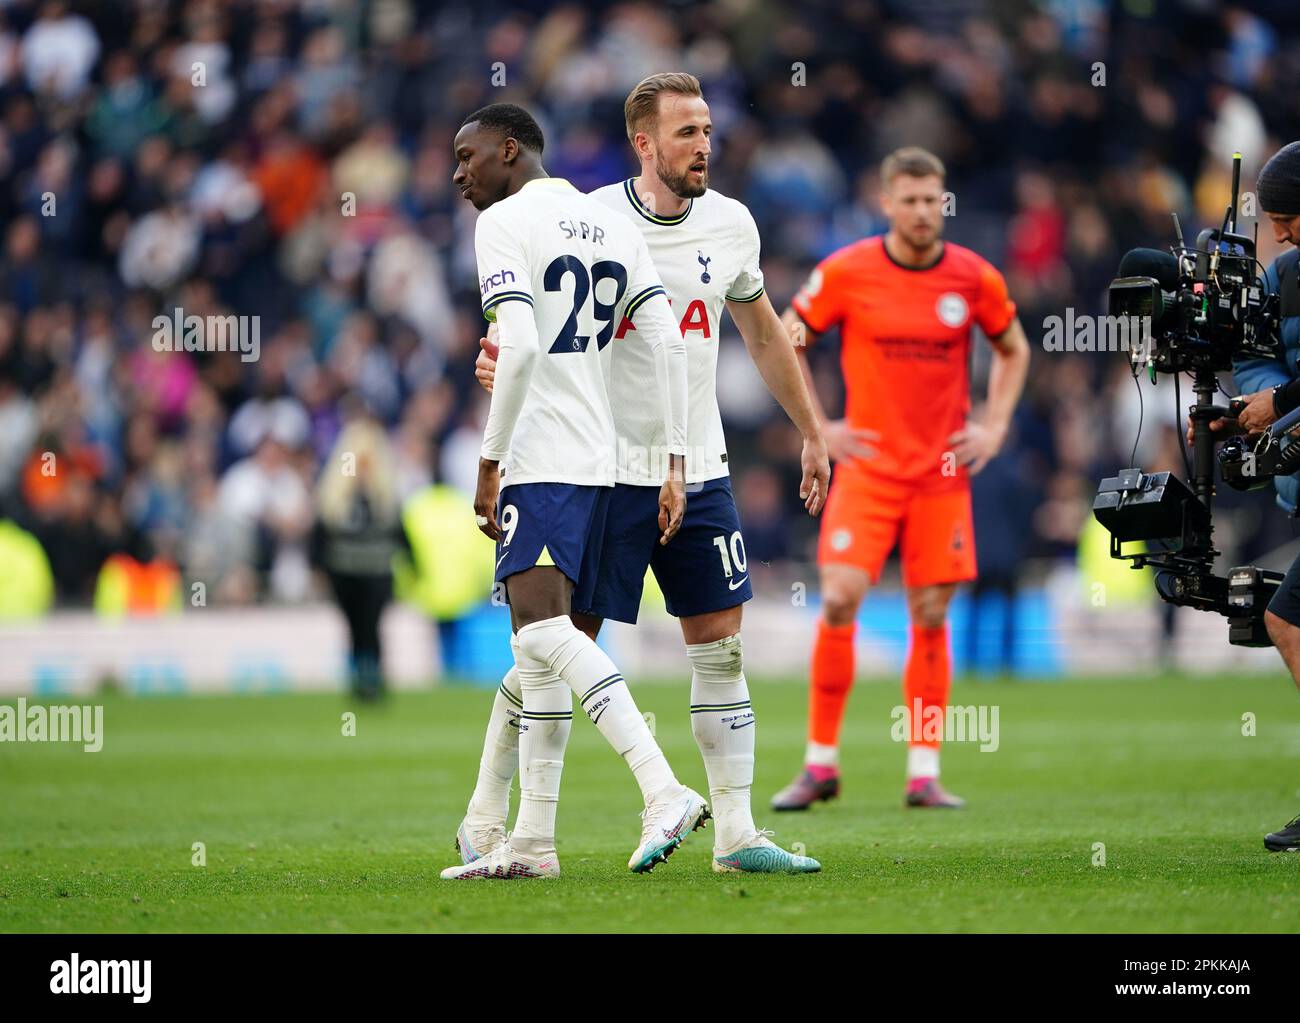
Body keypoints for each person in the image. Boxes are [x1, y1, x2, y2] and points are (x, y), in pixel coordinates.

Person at [464, 73, 829, 873]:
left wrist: (811, 429)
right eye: (687, 132)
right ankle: (514, 827)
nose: (705, 145)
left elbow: (766, 336)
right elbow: (529, 331)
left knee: (720, 645)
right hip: (604, 469)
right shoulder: (589, 219)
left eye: (707, 130)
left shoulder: (732, 224)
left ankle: (734, 835)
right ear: (644, 142)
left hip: (699, 466)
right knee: (557, 648)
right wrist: (498, 362)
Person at [440, 103, 707, 881]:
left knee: (540, 635)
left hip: (543, 456)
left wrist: (490, 462)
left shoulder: (501, 225)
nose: (458, 173)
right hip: (608, 463)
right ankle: (523, 837)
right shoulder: (609, 221)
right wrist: (671, 459)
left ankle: (661, 787)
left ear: (509, 149)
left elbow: (517, 341)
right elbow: (666, 339)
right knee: (542, 654)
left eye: (468, 156)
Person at [772, 146, 1030, 811]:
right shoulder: (848, 271)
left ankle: (923, 771)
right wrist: (819, 426)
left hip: (941, 476)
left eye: (932, 199)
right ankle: (820, 763)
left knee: (932, 611)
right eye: (909, 199)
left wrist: (995, 425)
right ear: (887, 203)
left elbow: (1014, 346)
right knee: (837, 599)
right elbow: (786, 336)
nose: (922, 211)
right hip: (868, 470)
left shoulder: (973, 277)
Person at [1202, 140, 1300, 851]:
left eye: (1292, 216)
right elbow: (1268, 370)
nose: (1284, 232)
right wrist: (1246, 410)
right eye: (1275, 221)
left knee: (1289, 620)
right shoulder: (1288, 274)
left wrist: (1281, 403)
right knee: (1288, 620)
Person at [311, 416, 407, 701]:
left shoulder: (385, 493)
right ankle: (359, 678)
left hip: (376, 570)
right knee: (354, 626)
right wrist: (318, 567)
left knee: (372, 625)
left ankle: (372, 678)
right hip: (344, 571)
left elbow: (400, 530)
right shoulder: (335, 494)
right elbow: (321, 533)